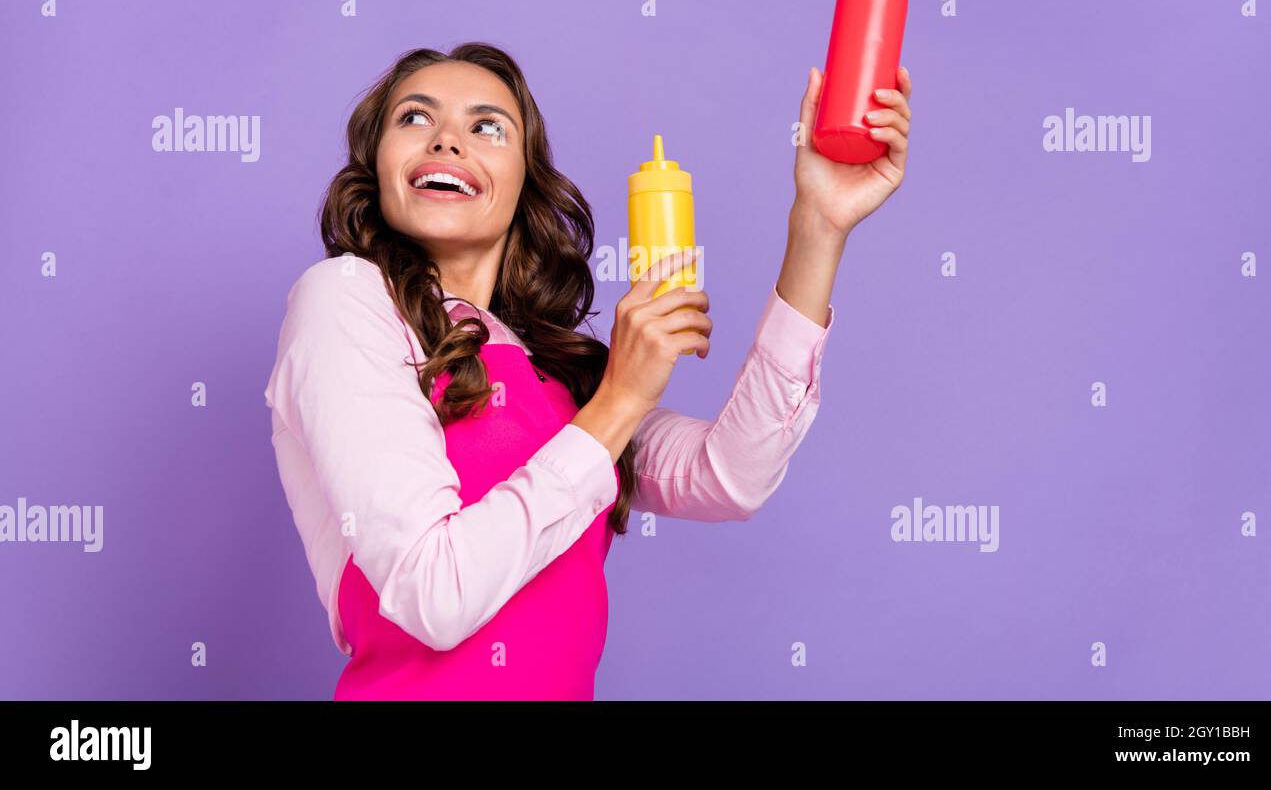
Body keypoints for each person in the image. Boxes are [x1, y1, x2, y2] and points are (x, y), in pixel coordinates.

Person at [264, 43, 914, 699]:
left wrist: (818, 224)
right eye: (414, 118)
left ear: (525, 183)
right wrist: (620, 402)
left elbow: (731, 477)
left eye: (487, 126)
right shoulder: (345, 299)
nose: (448, 141)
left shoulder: (557, 373)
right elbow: (434, 593)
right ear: (377, 165)